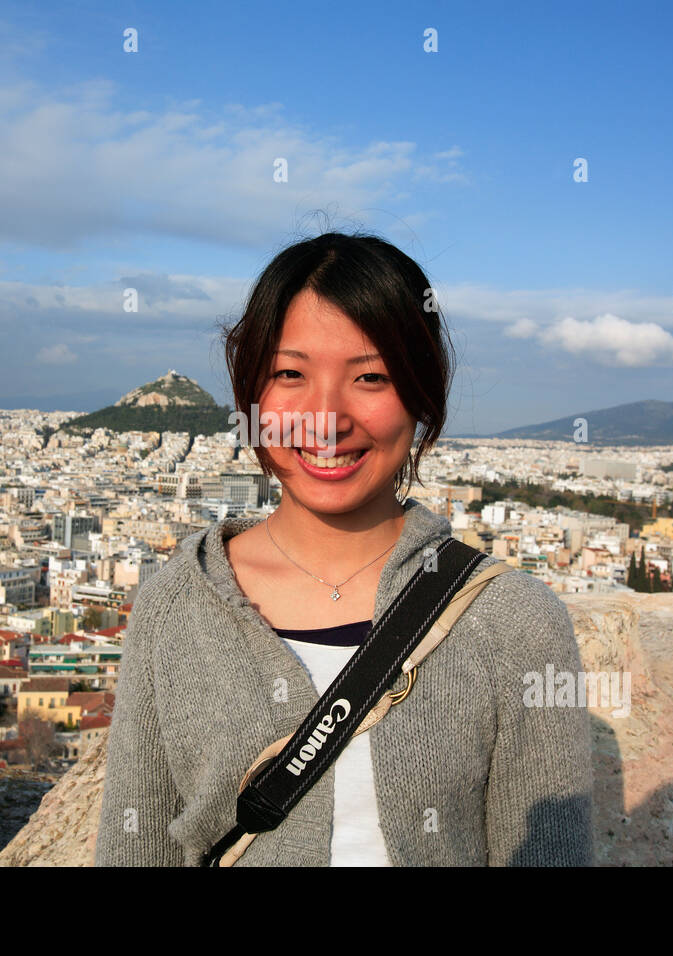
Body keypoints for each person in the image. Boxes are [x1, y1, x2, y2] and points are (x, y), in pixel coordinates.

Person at [95, 231, 592, 866]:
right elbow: (136, 852)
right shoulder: (176, 604)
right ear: (252, 395)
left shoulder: (514, 622)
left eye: (371, 376)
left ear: (421, 396)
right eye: (290, 374)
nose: (325, 417)